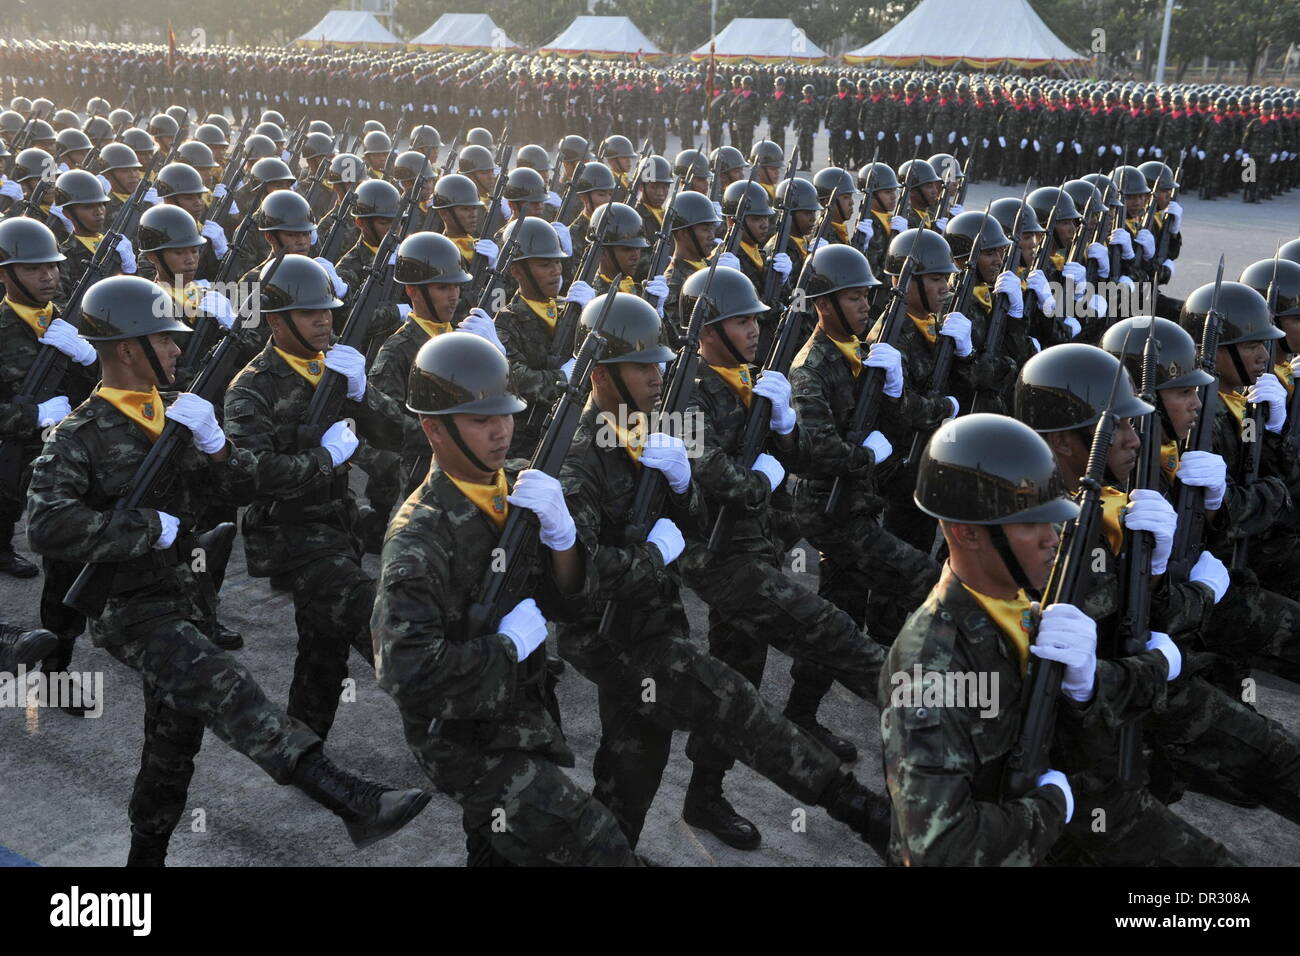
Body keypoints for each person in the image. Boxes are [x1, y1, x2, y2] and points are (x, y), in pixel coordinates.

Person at [26, 274, 429, 865]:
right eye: (164, 340)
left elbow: (240, 485)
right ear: (127, 349)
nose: (176, 350)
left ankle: (143, 864)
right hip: (132, 610)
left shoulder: (176, 416)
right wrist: (145, 529)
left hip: (187, 599)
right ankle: (350, 799)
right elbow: (47, 526)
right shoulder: (77, 436)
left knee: (172, 745)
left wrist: (215, 447)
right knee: (228, 688)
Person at [371, 330, 639, 867]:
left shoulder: (517, 490)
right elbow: (406, 675)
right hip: (459, 735)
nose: (500, 433)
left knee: (498, 849)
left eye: (507, 416)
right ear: (433, 429)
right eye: (480, 420)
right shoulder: (418, 538)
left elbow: (571, 605)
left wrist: (564, 542)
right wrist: (507, 649)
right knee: (597, 843)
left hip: (522, 706)